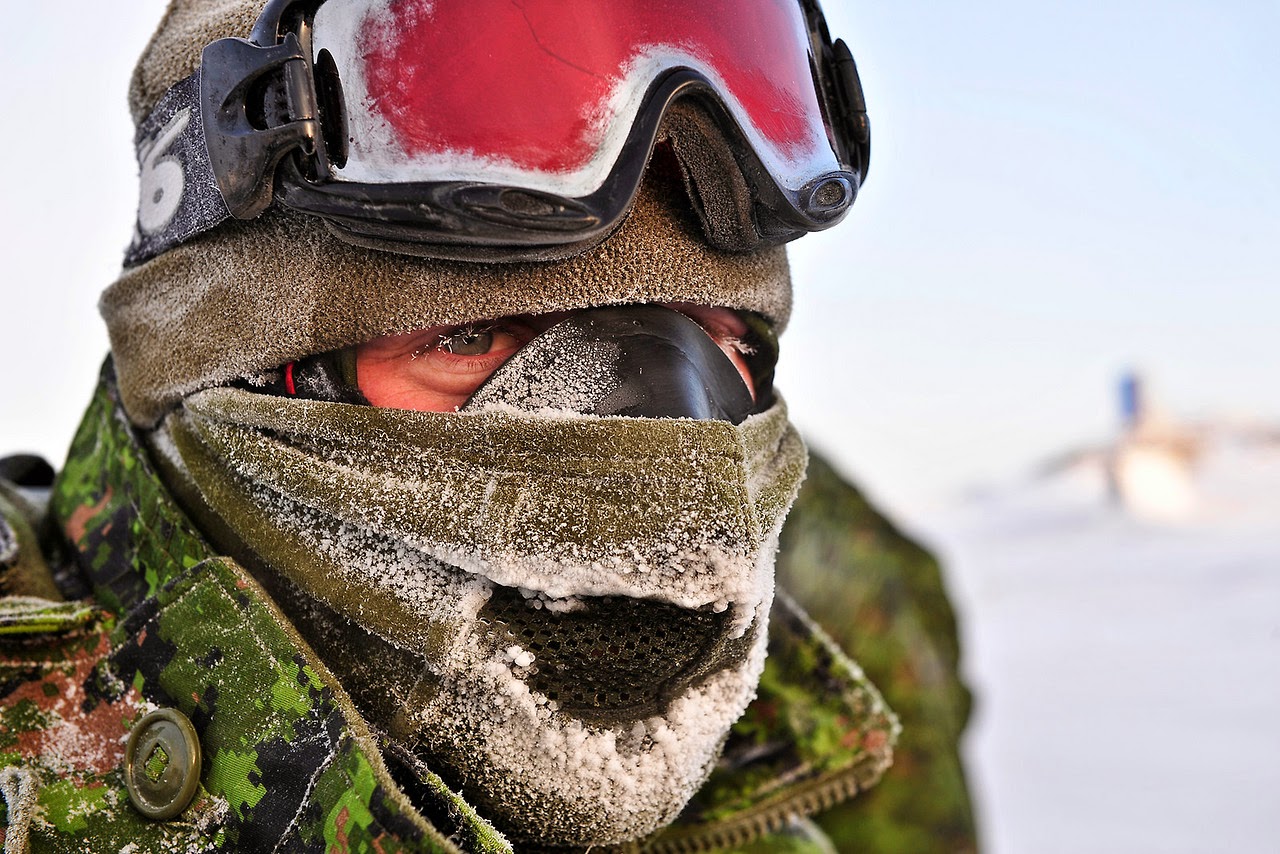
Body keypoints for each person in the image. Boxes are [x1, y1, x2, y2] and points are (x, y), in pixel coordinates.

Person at [0, 0, 976, 850]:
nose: (655, 455)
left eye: (717, 341)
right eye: (470, 336)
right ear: (239, 372)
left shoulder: (773, 824)